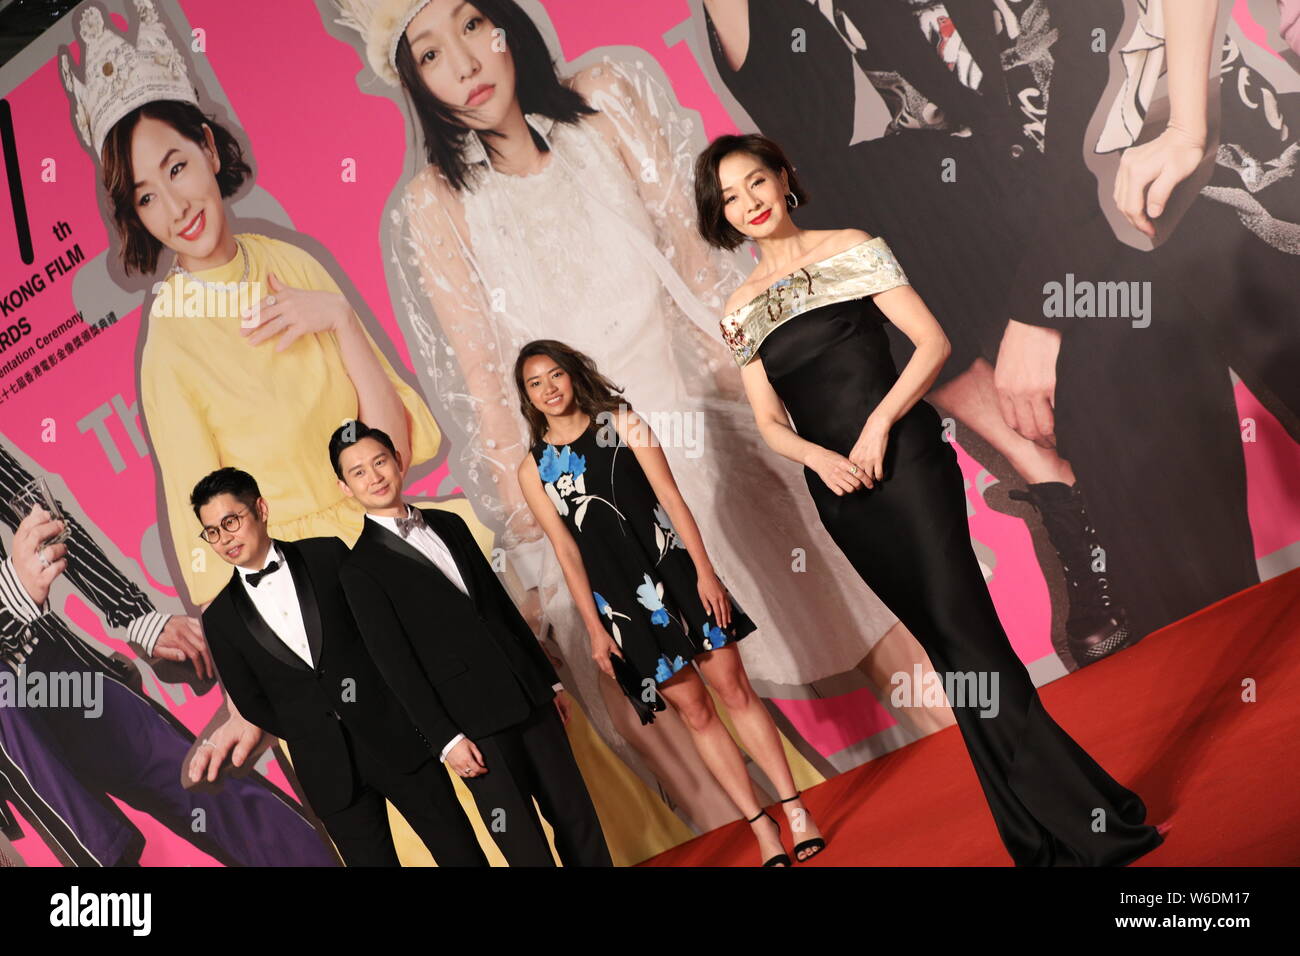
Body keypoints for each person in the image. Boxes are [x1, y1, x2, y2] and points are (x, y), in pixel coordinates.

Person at [334, 0, 952, 830]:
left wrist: (765, 391)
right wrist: (527, 525)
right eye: (432, 53)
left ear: (509, 24)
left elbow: (701, 262)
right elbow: (484, 378)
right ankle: (776, 834)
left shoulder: (606, 96)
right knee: (665, 701)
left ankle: (979, 759)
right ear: (414, 81)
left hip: (694, 411)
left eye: (473, 25)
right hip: (596, 473)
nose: (467, 62)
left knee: (859, 602)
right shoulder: (435, 207)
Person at [60, 0, 491, 865]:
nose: (174, 203)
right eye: (146, 194)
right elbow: (206, 547)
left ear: (211, 150)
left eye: (178, 166)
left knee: (501, 803)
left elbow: (397, 445)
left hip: (396, 572)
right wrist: (255, 698)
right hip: (317, 634)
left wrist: (335, 318)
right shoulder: (170, 344)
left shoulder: (291, 263)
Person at [694, 132, 1170, 865]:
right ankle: (1041, 833)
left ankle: (1084, 825)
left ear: (783, 178)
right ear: (720, 213)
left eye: (755, 182)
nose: (749, 202)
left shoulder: (850, 247)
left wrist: (880, 424)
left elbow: (931, 342)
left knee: (970, 637)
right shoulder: (741, 308)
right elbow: (767, 423)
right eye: (730, 196)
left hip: (908, 464)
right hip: (846, 498)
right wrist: (823, 460)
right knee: (951, 656)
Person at [514, 340, 826, 865]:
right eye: (534, 383)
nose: (548, 389)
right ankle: (761, 828)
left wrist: (706, 574)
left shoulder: (620, 421)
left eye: (555, 376)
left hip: (677, 574)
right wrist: (595, 631)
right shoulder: (533, 468)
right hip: (622, 602)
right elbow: (568, 554)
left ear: (573, 375)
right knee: (696, 712)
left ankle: (796, 810)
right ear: (525, 396)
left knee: (733, 689)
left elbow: (672, 499)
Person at [0, 444, 336, 867]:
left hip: (49, 668)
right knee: (96, 851)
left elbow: (40, 515)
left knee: (201, 780)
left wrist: (135, 615)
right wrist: (11, 596)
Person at [332, 421, 613, 867]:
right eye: (359, 472)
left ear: (398, 461)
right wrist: (446, 740)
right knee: (522, 841)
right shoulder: (358, 570)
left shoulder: (450, 522)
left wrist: (550, 684)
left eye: (380, 461)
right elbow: (396, 667)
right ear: (345, 487)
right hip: (472, 725)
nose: (375, 476)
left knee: (577, 816)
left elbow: (500, 608)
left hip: (528, 694)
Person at [193, 467, 489, 866]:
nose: (224, 537)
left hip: (397, 738)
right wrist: (311, 726)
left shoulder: (326, 554)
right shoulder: (219, 618)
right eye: (211, 531)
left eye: (231, 521)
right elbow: (252, 701)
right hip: (327, 772)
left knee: (461, 854)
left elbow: (383, 637)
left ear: (260, 509)